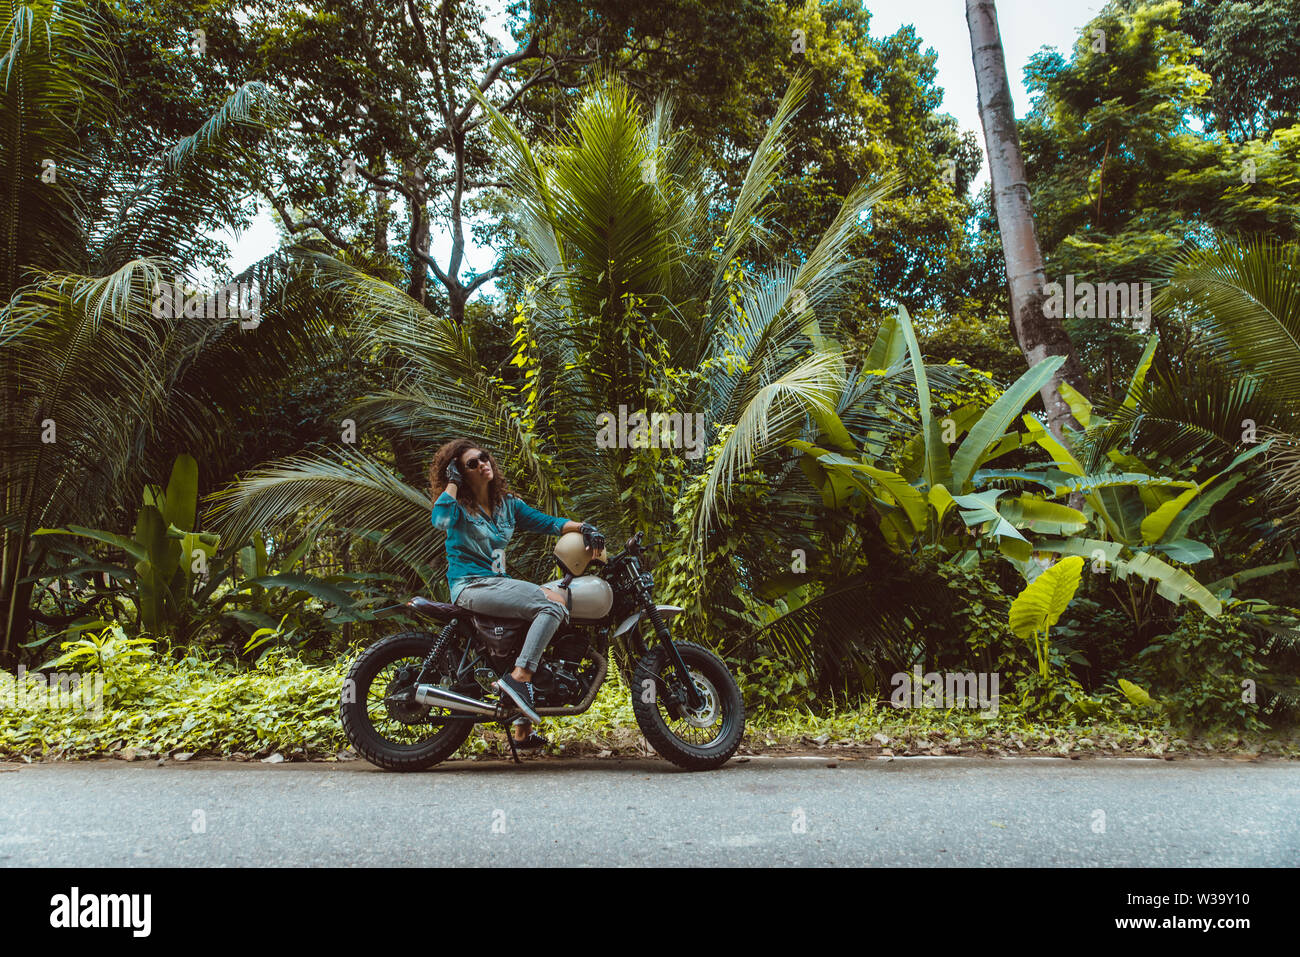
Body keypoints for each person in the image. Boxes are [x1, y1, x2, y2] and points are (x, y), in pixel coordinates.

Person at [430, 439, 604, 749]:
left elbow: (548, 523)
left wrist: (585, 526)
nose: (483, 463)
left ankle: (522, 730)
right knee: (552, 606)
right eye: (472, 463)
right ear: (459, 471)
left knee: (535, 626)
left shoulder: (508, 505)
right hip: (471, 585)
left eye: (484, 457)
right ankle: (519, 678)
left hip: (499, 583)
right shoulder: (455, 506)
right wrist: (452, 483)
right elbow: (439, 521)